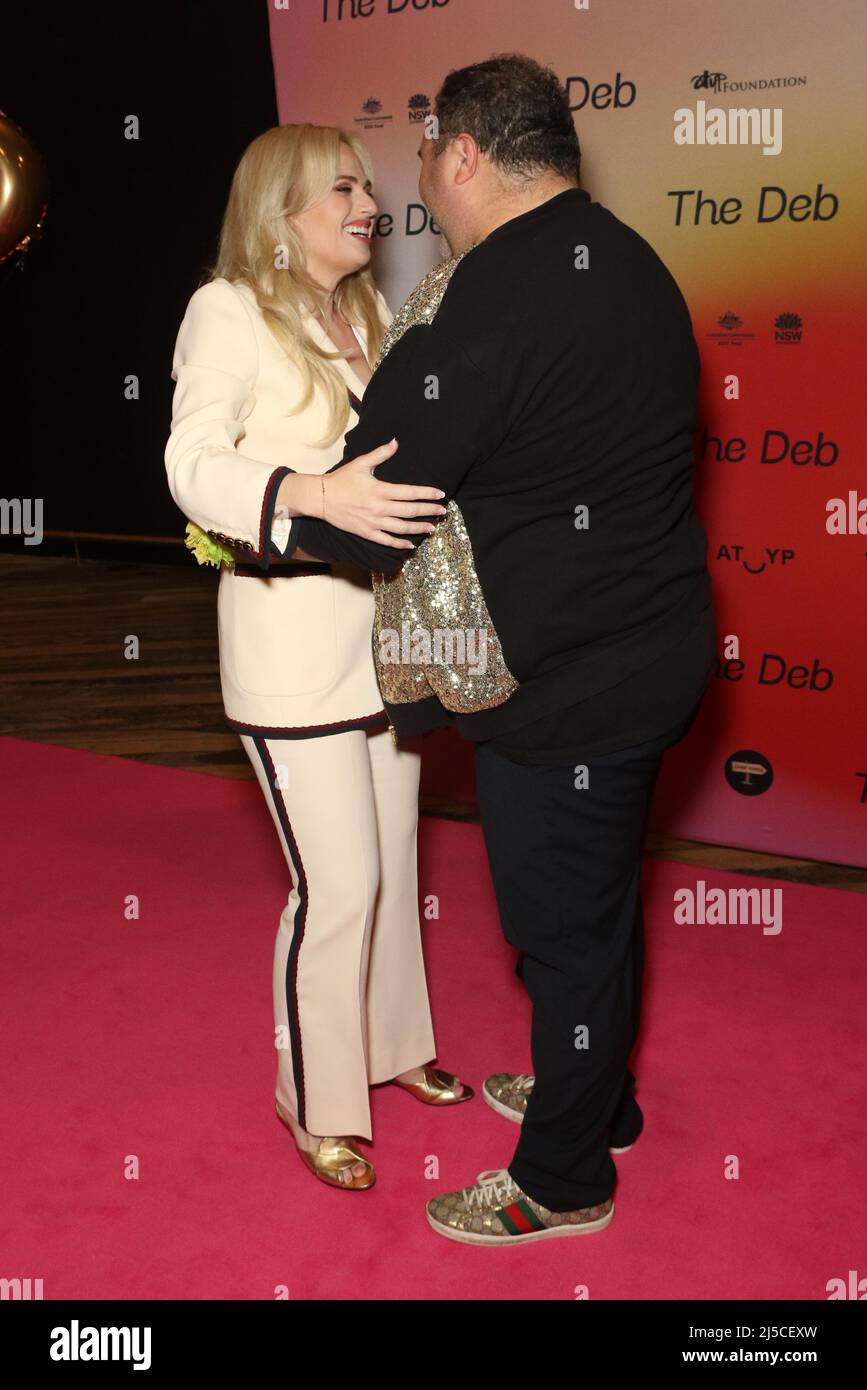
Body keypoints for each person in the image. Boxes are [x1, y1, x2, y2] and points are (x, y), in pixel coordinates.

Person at [279, 56, 718, 1243]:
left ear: (464, 153)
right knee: (603, 905)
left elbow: (371, 491)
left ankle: (563, 1176)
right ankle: (599, 1098)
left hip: (566, 681)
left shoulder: (490, 292)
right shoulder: (630, 260)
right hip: (656, 645)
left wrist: (273, 506)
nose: (418, 182)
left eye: (424, 157)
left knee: (563, 930)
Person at [164, 122, 473, 1194]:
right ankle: (316, 1103)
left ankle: (395, 1049)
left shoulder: (368, 314)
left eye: (366, 185)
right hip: (288, 649)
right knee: (335, 883)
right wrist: (307, 494)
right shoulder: (228, 310)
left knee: (390, 865)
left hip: (377, 642)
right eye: (340, 186)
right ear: (278, 213)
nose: (367, 203)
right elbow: (192, 463)